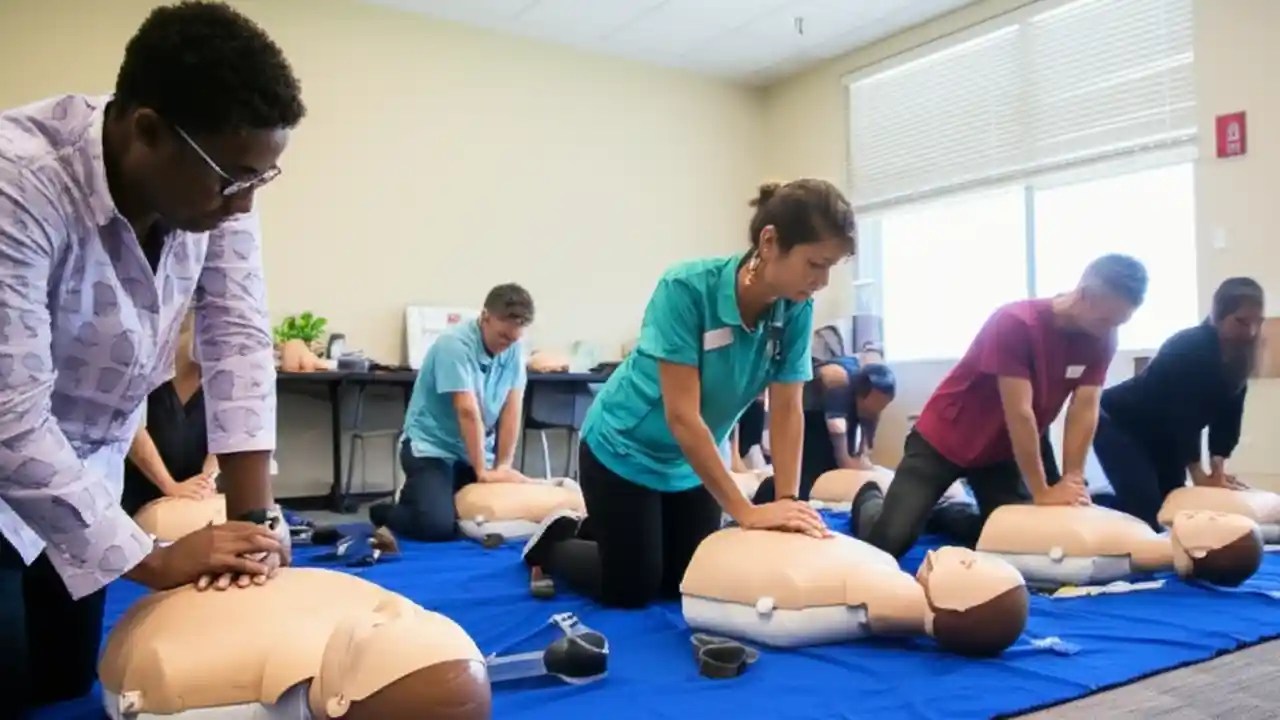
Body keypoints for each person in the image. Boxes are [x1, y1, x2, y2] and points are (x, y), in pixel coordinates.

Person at [0, 1, 303, 709]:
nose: (244, 207)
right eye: (234, 180)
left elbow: (237, 336)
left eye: (261, 181)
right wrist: (154, 556)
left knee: (65, 679)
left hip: (86, 473)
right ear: (147, 132)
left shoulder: (215, 187)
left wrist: (253, 528)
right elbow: (9, 415)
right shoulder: (17, 182)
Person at [521, 179, 856, 609]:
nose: (822, 281)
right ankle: (556, 540)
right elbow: (683, 416)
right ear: (770, 242)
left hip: (689, 463)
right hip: (623, 450)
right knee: (632, 589)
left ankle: (610, 531)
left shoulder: (795, 307)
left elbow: (788, 407)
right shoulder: (685, 289)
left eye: (831, 267)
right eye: (815, 263)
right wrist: (746, 511)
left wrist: (786, 502)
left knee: (685, 580)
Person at [850, 254, 1148, 558]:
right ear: (1083, 295)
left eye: (1118, 322)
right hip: (944, 440)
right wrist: (1042, 491)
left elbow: (1084, 408)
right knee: (890, 542)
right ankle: (868, 500)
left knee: (1011, 540)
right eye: (1104, 320)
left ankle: (944, 512)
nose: (1107, 330)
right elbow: (1019, 412)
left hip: (1001, 453)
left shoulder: (1103, 337)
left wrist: (1072, 477)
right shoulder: (1017, 323)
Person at [368, 284, 536, 541]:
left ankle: (430, 496)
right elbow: (467, 411)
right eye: (503, 337)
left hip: (472, 451)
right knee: (436, 527)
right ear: (485, 317)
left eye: (514, 339)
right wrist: (482, 472)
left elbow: (512, 409)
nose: (507, 345)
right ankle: (386, 512)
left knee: (489, 517)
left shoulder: (513, 350)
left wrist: (503, 467)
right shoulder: (453, 346)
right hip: (431, 449)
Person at [1093, 277, 1264, 529]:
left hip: (1164, 435)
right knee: (1148, 511)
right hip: (1119, 423)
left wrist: (1217, 473)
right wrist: (1198, 475)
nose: (1250, 331)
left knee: (1172, 507)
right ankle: (1098, 506)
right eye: (1241, 321)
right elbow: (1183, 416)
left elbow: (1229, 416)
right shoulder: (1190, 347)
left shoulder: (1241, 357)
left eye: (1256, 323)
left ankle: (1116, 502)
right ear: (1219, 315)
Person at [753, 357, 895, 503]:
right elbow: (839, 439)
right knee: (805, 477)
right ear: (861, 394)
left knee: (831, 471)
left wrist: (863, 458)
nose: (877, 411)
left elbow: (869, 423)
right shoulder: (840, 383)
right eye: (875, 405)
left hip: (830, 414)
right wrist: (848, 462)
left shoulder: (869, 401)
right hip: (811, 415)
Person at [122, 311, 219, 516]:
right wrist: (171, 486)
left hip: (192, 500)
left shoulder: (220, 377)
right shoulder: (148, 364)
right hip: (137, 497)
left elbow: (230, 428)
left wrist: (205, 483)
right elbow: (130, 430)